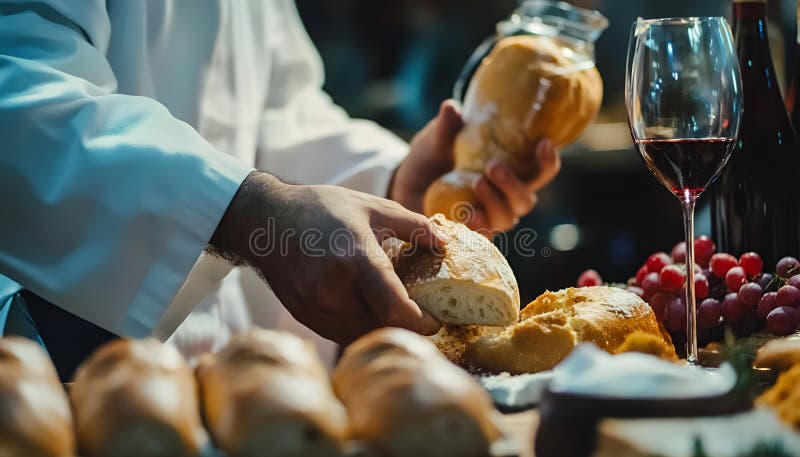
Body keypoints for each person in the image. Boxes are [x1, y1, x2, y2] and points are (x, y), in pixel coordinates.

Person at [0, 0, 560, 370]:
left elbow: (279, 114)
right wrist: (246, 210)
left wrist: (396, 190)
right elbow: (17, 98)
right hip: (58, 375)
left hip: (248, 384)